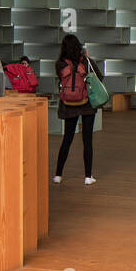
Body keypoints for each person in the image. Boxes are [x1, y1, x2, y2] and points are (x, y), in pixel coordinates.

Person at [54, 33, 102, 185]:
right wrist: (87, 58)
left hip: (69, 105)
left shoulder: (60, 63)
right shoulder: (86, 61)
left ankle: (58, 175)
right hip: (86, 104)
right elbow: (99, 77)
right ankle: (88, 176)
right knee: (87, 140)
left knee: (67, 139)